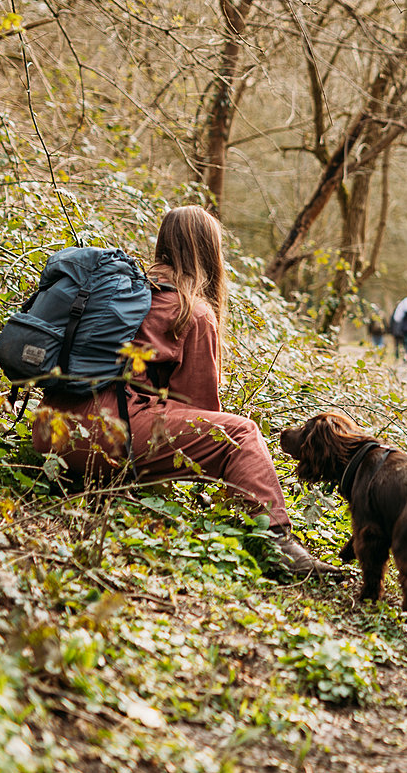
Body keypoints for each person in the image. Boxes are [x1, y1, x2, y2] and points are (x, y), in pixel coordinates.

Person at [33, 205, 342, 578]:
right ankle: (279, 545)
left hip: (50, 428)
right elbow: (202, 411)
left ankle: (98, 482)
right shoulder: (192, 311)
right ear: (210, 253)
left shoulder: (124, 291)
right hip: (106, 436)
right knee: (241, 433)